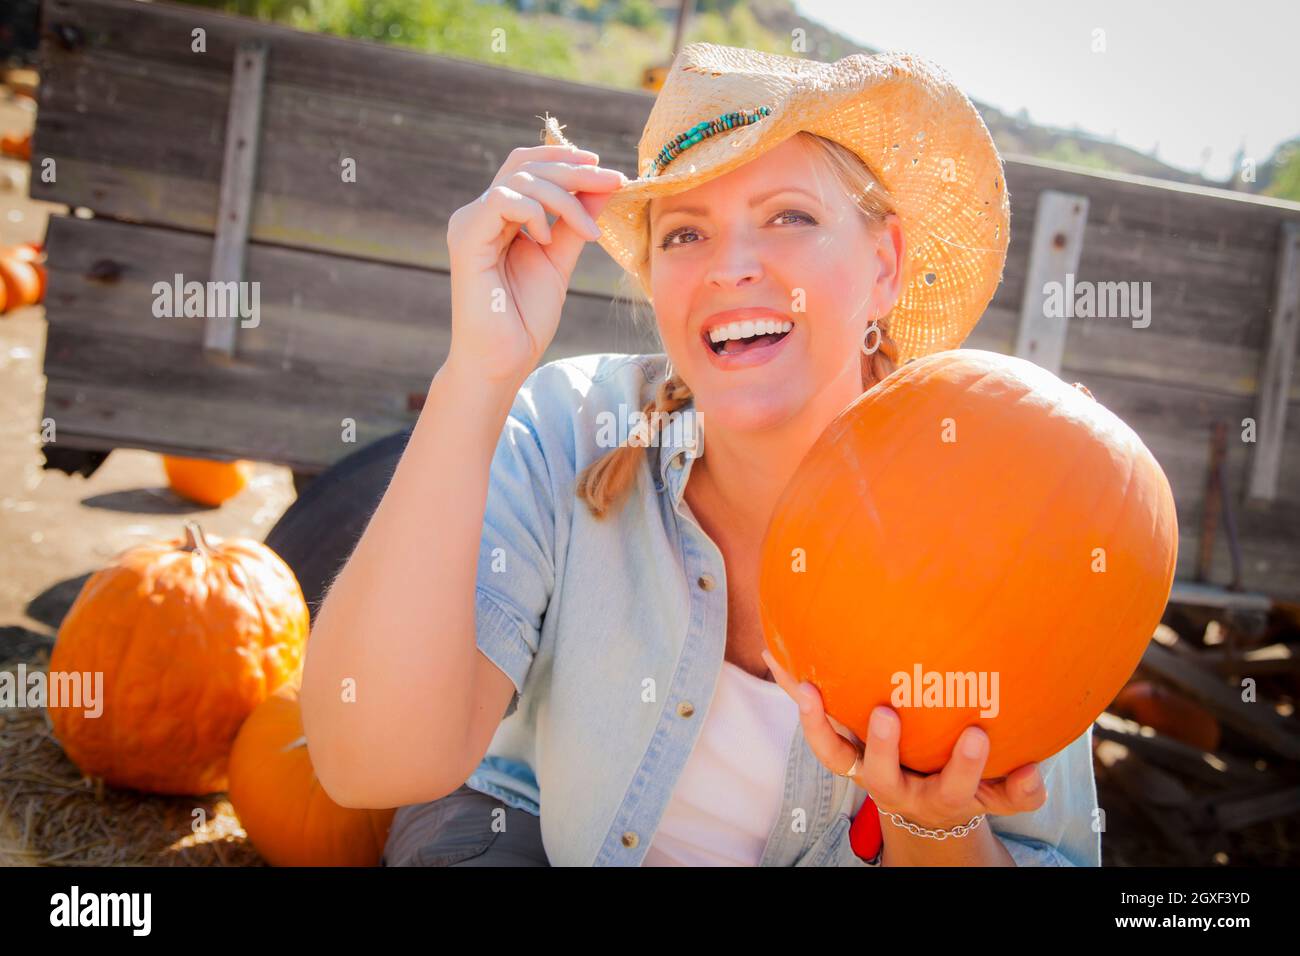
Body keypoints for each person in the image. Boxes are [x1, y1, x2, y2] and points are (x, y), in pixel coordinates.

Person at [301, 42, 1101, 867]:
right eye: (686, 233)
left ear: (884, 264)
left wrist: (933, 825)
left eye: (789, 216)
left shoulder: (991, 520)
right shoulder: (569, 425)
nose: (732, 268)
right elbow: (369, 762)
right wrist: (477, 372)